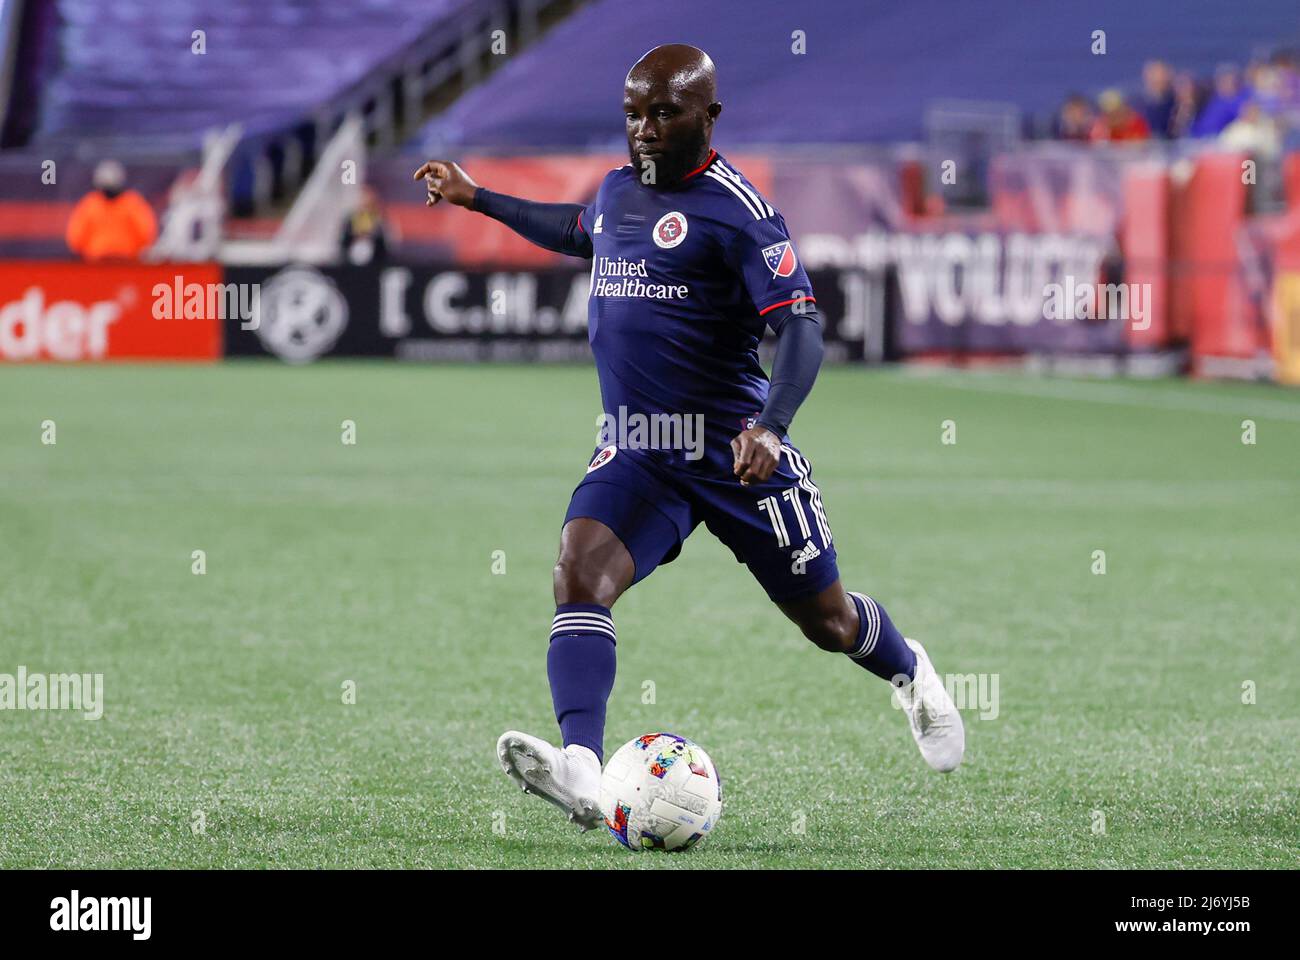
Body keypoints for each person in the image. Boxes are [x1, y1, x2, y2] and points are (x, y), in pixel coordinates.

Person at [414, 44, 964, 834]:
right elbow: (578, 230)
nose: (644, 129)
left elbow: (801, 323)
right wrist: (477, 198)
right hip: (640, 448)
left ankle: (913, 673)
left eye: (664, 113)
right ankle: (581, 769)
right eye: (634, 113)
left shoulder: (738, 210)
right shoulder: (615, 192)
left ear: (708, 116)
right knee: (578, 574)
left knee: (830, 624)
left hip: (736, 456)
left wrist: (772, 428)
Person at [65, 159, 158, 260]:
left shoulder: (132, 203)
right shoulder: (91, 204)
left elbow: (146, 233)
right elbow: (76, 237)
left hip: (126, 262)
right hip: (98, 263)